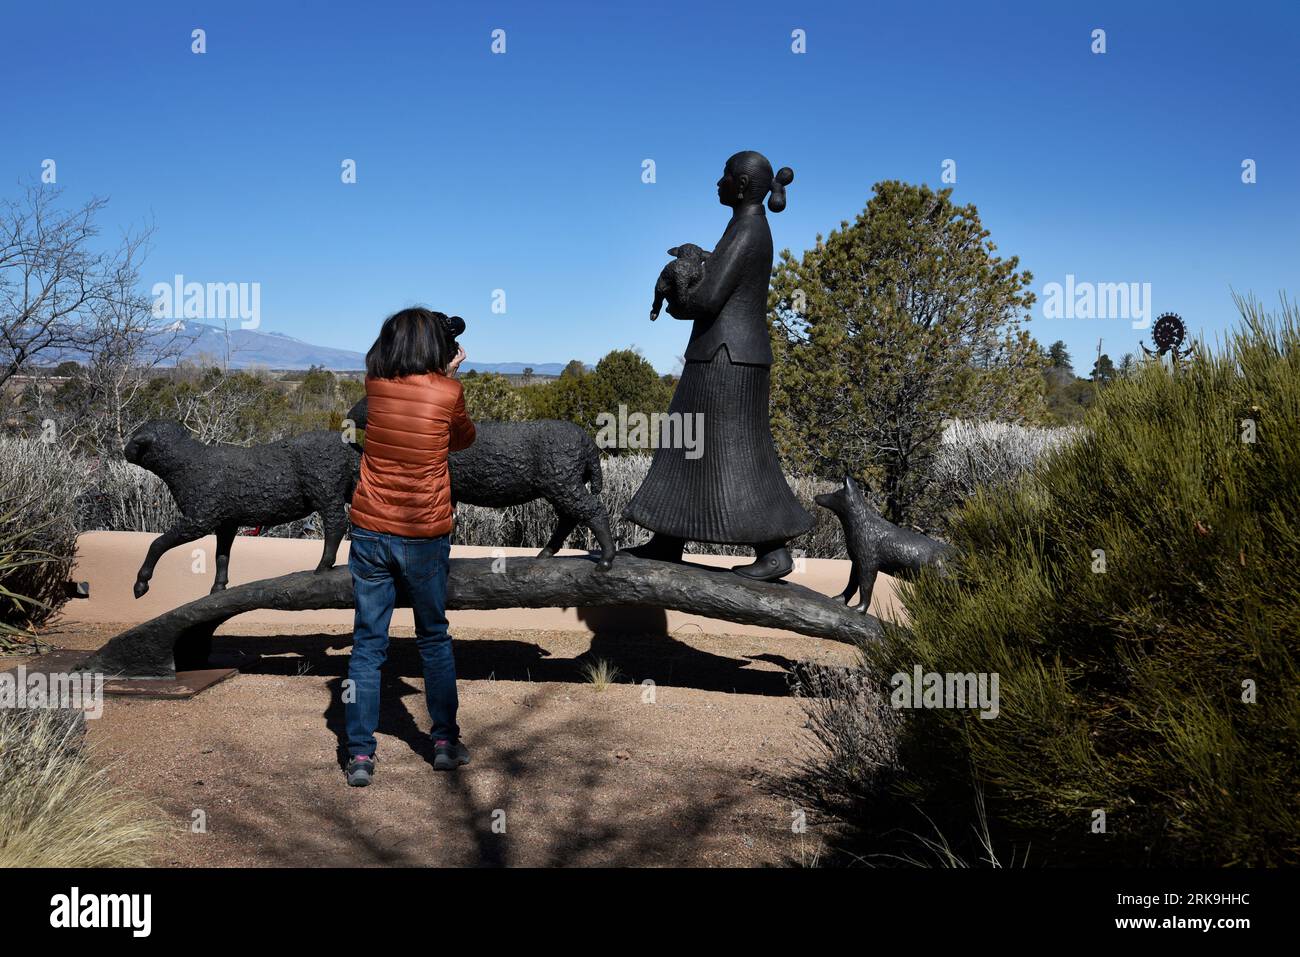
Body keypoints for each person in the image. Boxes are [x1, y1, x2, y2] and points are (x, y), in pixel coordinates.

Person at [624, 150, 813, 581]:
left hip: (728, 358)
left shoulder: (749, 229)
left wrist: (676, 294)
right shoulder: (743, 227)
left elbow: (709, 298)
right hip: (721, 354)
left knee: (737, 449)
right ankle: (668, 537)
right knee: (685, 443)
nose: (718, 181)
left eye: (725, 175)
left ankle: (774, 551)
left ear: (742, 185)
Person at [343, 307, 475, 787]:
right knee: (433, 639)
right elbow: (462, 439)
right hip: (424, 533)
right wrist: (448, 376)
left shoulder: (375, 385)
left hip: (369, 531)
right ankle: (443, 743)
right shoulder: (448, 392)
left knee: (367, 644)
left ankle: (360, 754)